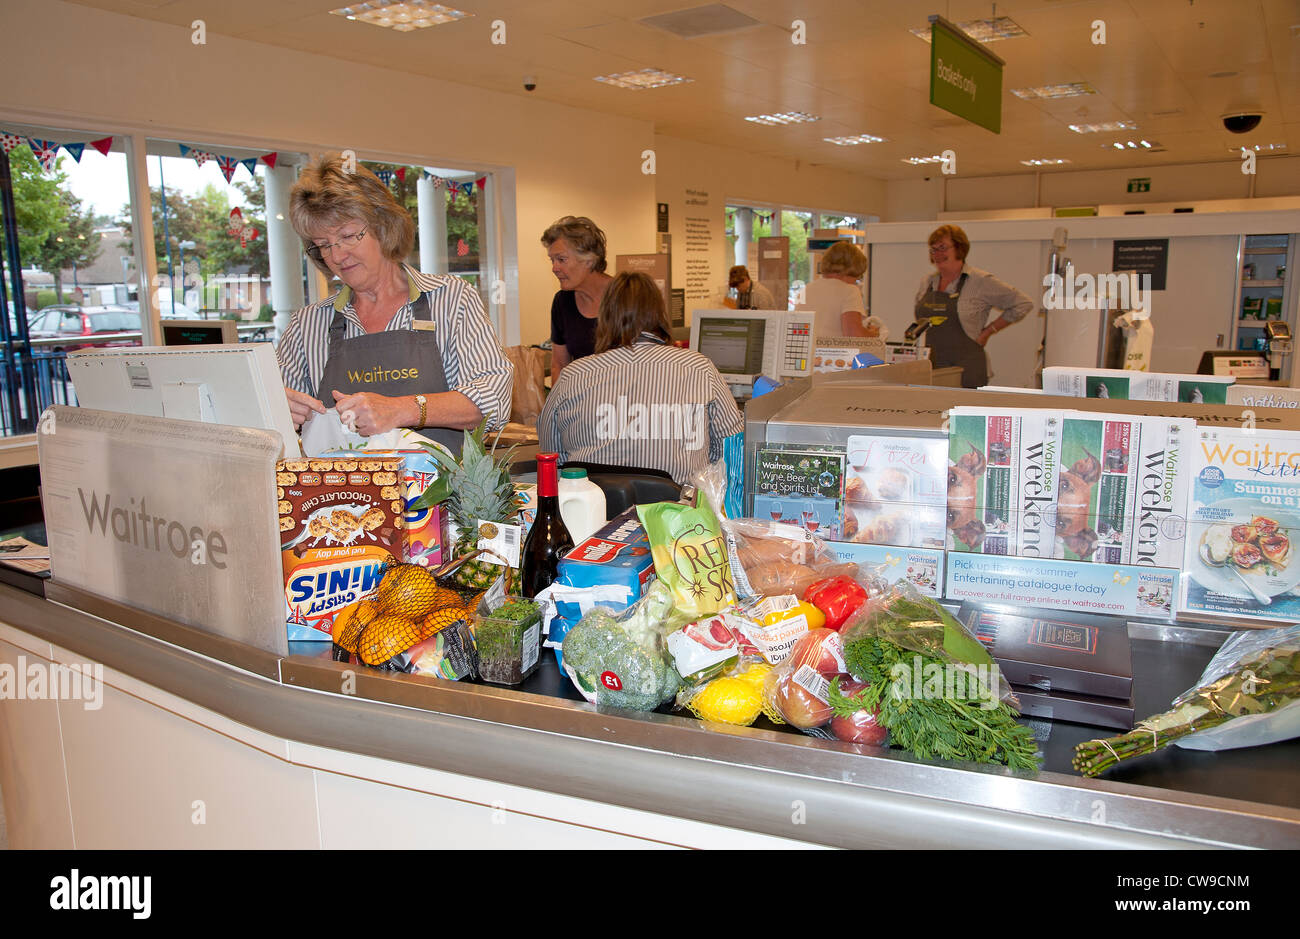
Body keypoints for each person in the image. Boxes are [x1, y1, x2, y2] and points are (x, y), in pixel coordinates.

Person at [277, 153, 513, 454]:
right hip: (340, 500)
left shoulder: (452, 299)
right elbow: (271, 430)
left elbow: (494, 402)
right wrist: (280, 410)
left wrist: (402, 409)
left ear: (383, 225)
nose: (336, 256)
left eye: (348, 236)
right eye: (323, 245)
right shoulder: (307, 325)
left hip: (438, 498)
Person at [538, 272, 744, 485]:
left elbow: (553, 458)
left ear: (605, 316)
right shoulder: (699, 368)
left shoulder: (573, 375)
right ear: (659, 314)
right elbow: (731, 453)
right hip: (678, 514)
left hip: (595, 513)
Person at [914, 224, 1035, 388]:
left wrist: (988, 332)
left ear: (960, 248)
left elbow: (1023, 303)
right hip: (932, 366)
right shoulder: (927, 282)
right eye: (933, 250)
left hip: (967, 369)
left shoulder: (980, 281)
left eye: (943, 248)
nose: (937, 254)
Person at [541, 216, 612, 384]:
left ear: (589, 259)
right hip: (583, 403)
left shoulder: (627, 297)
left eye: (561, 259)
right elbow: (559, 365)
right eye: (552, 260)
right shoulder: (562, 302)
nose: (554, 268)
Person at [800, 241, 870, 337]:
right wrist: (874, 335)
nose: (856, 280)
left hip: (807, 351)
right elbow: (853, 334)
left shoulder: (806, 290)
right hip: (834, 351)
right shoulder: (850, 291)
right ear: (854, 269)